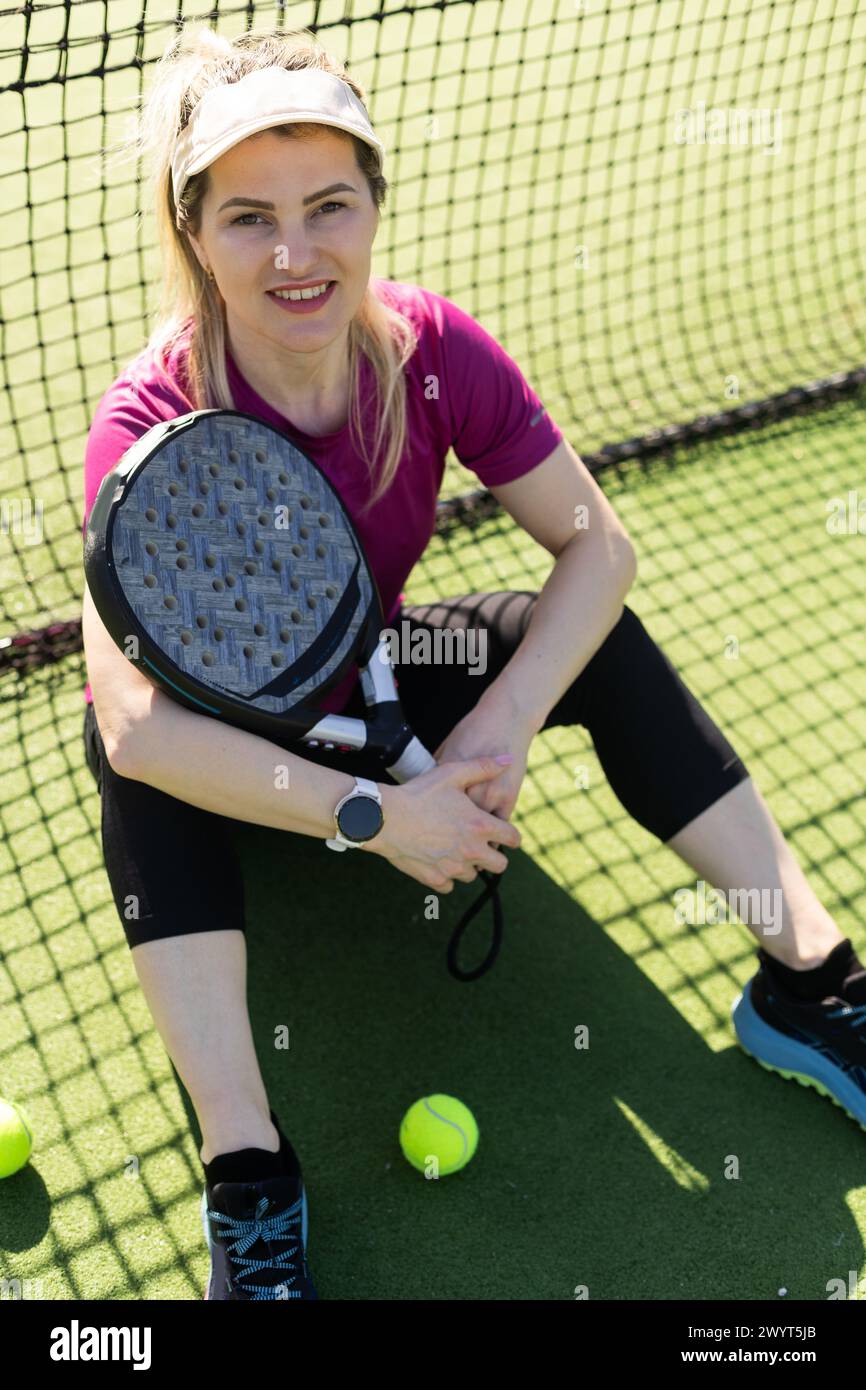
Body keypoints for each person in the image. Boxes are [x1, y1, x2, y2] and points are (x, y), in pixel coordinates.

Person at [80, 24, 866, 1301]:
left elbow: (594, 548)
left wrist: (495, 729)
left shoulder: (430, 352)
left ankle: (813, 983)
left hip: (376, 673)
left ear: (374, 209)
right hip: (231, 761)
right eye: (247, 219)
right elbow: (140, 726)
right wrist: (377, 815)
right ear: (194, 235)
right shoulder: (151, 421)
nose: (294, 253)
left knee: (587, 641)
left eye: (328, 206)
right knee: (128, 768)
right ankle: (249, 1172)